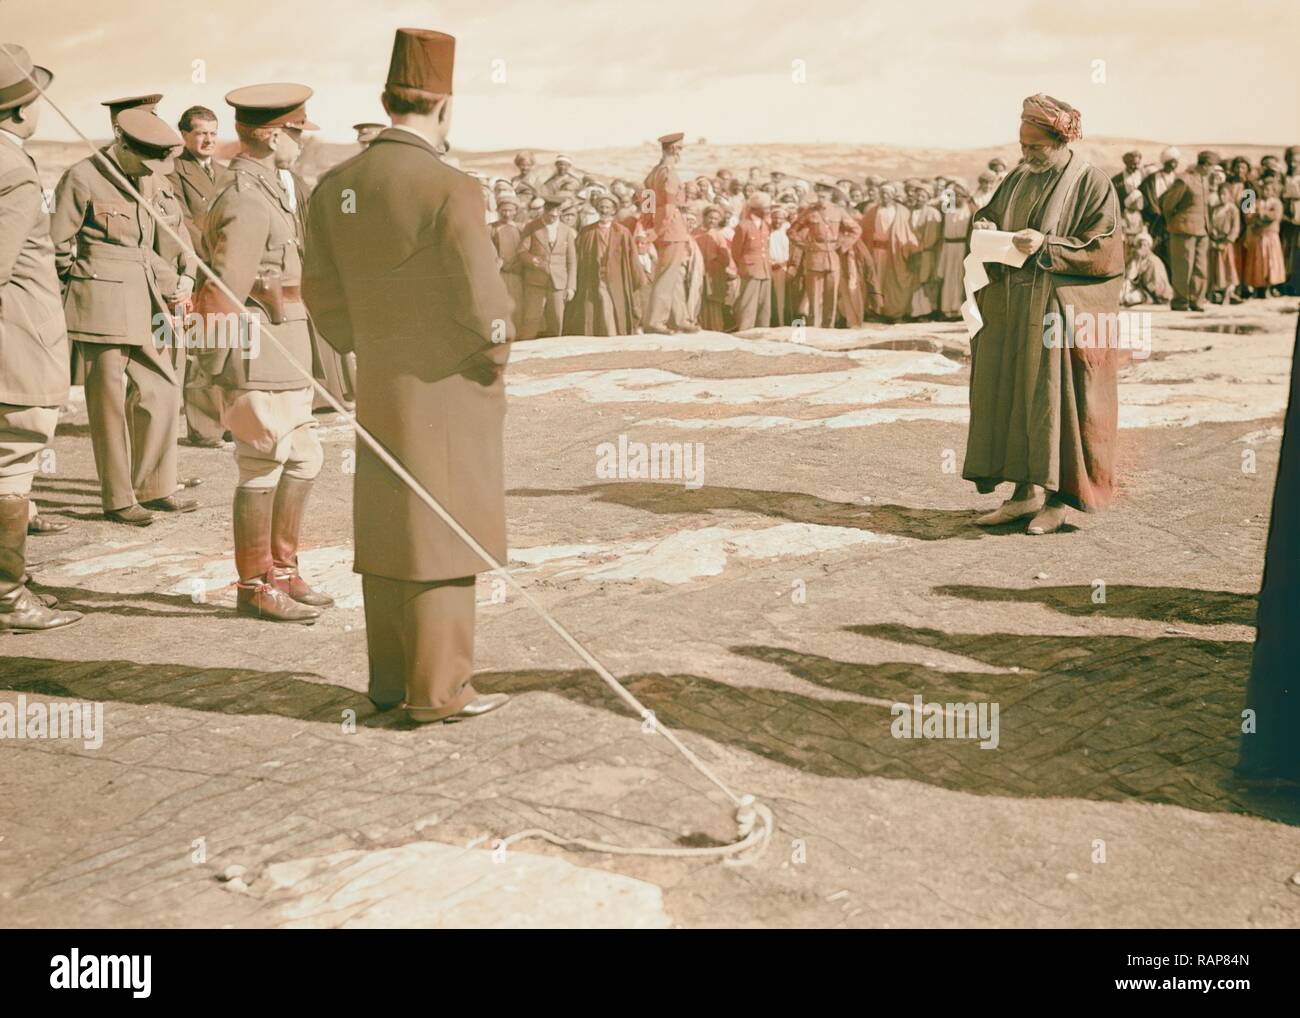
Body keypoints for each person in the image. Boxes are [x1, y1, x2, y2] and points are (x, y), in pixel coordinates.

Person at [303, 28, 512, 724]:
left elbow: (322, 296)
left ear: (385, 100)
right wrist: (491, 360)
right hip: (449, 382)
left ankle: (390, 681)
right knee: (445, 526)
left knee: (392, 520)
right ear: (444, 107)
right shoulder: (452, 186)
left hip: (381, 380)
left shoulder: (336, 185)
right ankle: (440, 690)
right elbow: (484, 303)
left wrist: (367, 347)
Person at [195, 83, 333, 624]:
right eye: (297, 133)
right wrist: (215, 364)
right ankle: (254, 585)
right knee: (262, 460)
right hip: (259, 348)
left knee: (304, 457)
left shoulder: (272, 187)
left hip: (286, 341)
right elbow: (225, 287)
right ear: (273, 135)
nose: (302, 142)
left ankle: (281, 569)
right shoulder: (246, 196)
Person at [964, 94, 1123, 536]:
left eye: (1035, 147)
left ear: (1060, 141)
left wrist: (1047, 245)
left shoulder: (1091, 184)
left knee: (1056, 404)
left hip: (1057, 313)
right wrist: (985, 225)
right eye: (1023, 145)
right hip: (1013, 308)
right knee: (1013, 397)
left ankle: (1056, 501)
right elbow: (991, 215)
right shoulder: (1018, 177)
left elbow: (1104, 248)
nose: (1027, 154)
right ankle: (1022, 495)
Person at [51, 105, 199, 526]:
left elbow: (161, 240)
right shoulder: (83, 176)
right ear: (123, 144)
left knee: (162, 389)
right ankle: (118, 499)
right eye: (145, 159)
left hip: (148, 296)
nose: (152, 170)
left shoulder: (151, 177)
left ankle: (155, 487)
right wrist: (82, 282)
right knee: (109, 404)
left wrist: (181, 278)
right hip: (99, 302)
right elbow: (56, 243)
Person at [0, 43, 81, 631]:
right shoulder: (15, 170)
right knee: (12, 466)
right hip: (18, 348)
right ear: (19, 110)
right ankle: (8, 597)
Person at [169, 104, 232, 448]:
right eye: (200, 133)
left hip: (227, 269)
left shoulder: (225, 173)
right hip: (198, 269)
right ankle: (205, 429)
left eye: (213, 133)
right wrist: (213, 255)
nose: (208, 140)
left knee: (230, 345)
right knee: (202, 349)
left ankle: (229, 421)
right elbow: (181, 222)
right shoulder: (173, 172)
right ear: (184, 135)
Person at [566, 193, 641, 336]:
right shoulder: (587, 232)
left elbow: (632, 257)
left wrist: (637, 278)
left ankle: (612, 335)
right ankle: (606, 334)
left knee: (613, 304)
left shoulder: (622, 232)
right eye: (601, 207)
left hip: (616, 277)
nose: (604, 210)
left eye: (607, 207)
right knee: (596, 304)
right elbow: (576, 256)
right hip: (592, 275)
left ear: (614, 210)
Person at [643, 132, 694, 333]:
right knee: (666, 276)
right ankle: (655, 321)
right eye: (680, 148)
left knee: (674, 275)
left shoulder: (654, 172)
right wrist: (658, 230)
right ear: (673, 149)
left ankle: (680, 319)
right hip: (671, 229)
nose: (681, 152)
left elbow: (647, 199)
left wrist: (649, 224)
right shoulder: (669, 173)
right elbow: (669, 208)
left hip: (664, 228)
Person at [1160, 149, 1214, 311]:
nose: (1213, 170)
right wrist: (1175, 222)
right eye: (1212, 166)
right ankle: (1181, 301)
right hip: (1183, 230)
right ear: (1205, 165)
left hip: (1203, 230)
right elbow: (1168, 205)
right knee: (1183, 267)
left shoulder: (1205, 180)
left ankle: (1197, 300)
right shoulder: (1185, 180)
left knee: (1201, 268)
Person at [859, 184, 920, 322]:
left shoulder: (903, 212)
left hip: (895, 253)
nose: (884, 196)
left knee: (894, 283)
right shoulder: (873, 211)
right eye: (882, 193)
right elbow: (863, 230)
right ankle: (877, 311)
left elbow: (910, 231)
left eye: (887, 193)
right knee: (876, 280)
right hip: (876, 252)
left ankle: (894, 312)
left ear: (892, 195)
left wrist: (912, 249)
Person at [518, 194, 576, 338]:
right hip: (535, 281)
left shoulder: (566, 231)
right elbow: (522, 251)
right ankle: (526, 348)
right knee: (531, 318)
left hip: (558, 283)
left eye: (556, 215)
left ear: (560, 213)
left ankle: (554, 349)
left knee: (557, 319)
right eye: (550, 215)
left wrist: (571, 286)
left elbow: (572, 261)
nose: (552, 218)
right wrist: (533, 260)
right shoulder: (532, 227)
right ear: (544, 211)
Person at [730, 191, 772, 331]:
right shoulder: (743, 226)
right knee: (748, 302)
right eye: (766, 208)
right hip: (750, 269)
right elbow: (736, 251)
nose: (768, 211)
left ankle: (762, 329)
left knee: (764, 303)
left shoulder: (765, 225)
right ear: (756, 209)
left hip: (765, 268)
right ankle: (745, 329)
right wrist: (743, 266)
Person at [1242, 177, 1286, 297]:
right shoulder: (1255, 201)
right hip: (1258, 236)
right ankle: (1257, 288)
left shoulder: (1276, 203)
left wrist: (1261, 214)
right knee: (1258, 263)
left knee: (1270, 262)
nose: (1266, 192)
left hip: (1270, 235)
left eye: (1269, 189)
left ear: (1273, 191)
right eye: (1264, 189)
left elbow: (1275, 216)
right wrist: (1256, 216)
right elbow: (1248, 217)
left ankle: (1269, 288)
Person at [694, 206, 736, 331]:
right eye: (710, 217)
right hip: (697, 271)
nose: (712, 221)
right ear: (704, 217)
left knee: (713, 300)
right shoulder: (695, 233)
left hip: (713, 273)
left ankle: (714, 327)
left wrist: (715, 260)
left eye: (715, 219)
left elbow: (725, 258)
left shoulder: (718, 236)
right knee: (698, 298)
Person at [936, 179, 973, 319]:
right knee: (947, 277)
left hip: (962, 247)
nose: (957, 198)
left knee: (960, 277)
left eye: (960, 195)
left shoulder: (970, 210)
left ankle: (959, 310)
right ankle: (947, 309)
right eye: (955, 195)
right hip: (947, 247)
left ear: (966, 196)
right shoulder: (947, 208)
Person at [490, 192, 526, 334]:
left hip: (517, 273)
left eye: (510, 210)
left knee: (516, 304)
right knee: (498, 305)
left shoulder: (520, 229)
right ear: (498, 210)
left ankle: (516, 334)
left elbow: (525, 249)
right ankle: (499, 334)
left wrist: (518, 264)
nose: (507, 214)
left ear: (516, 211)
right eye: (504, 210)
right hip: (499, 274)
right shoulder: (491, 228)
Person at [1207, 182, 1243, 304]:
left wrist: (1228, 240)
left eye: (1225, 194)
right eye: (1220, 194)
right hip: (1216, 241)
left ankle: (1229, 292)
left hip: (1227, 243)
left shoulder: (1233, 209)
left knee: (1228, 267)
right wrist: (1212, 232)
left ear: (1229, 195)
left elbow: (1235, 228)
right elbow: (1209, 224)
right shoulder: (1214, 209)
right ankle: (1218, 291)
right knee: (1217, 267)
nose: (1222, 197)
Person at [1121, 233, 1173, 306]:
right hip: (1140, 289)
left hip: (1151, 294)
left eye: (1145, 245)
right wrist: (1135, 262)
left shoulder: (1153, 261)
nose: (1142, 247)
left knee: (1130, 298)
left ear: (1149, 247)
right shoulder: (1136, 258)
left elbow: (1155, 285)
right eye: (1139, 245)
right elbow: (1129, 277)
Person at [768, 204, 792, 325]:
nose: (777, 221)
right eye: (775, 218)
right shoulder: (767, 232)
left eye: (780, 218)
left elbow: (790, 253)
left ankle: (782, 322)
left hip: (782, 266)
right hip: (768, 266)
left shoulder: (787, 232)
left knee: (780, 295)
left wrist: (782, 263)